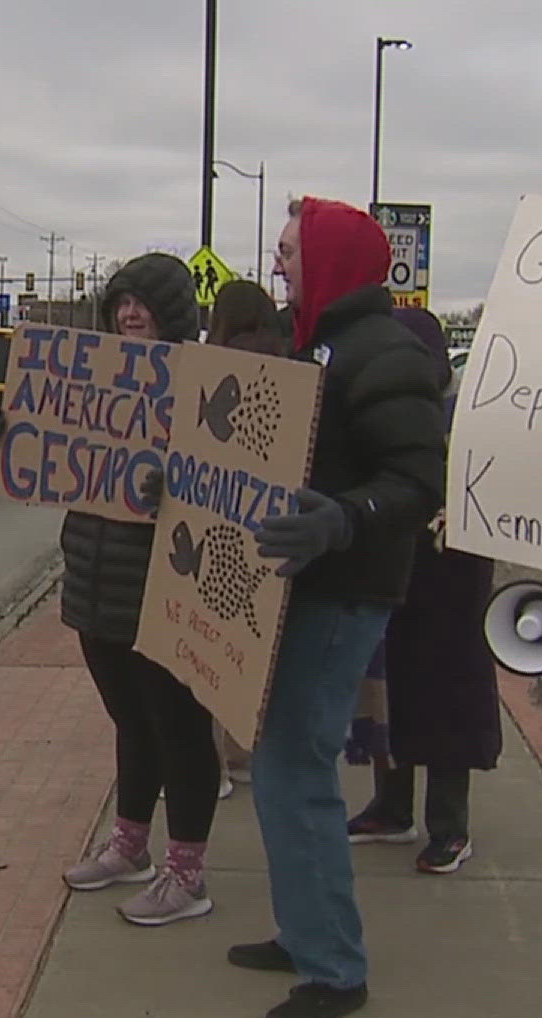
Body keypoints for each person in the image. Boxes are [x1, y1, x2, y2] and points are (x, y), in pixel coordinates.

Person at [228, 197, 446, 1018]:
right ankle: (304, 931)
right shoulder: (308, 344)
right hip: (302, 583)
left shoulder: (382, 351)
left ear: (330, 258)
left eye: (289, 250)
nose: (276, 263)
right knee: (283, 764)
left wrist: (342, 517)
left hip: (343, 588)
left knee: (297, 768)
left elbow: (418, 479)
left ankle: (334, 970)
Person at [60, 252, 225, 927]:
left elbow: (228, 486)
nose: (130, 314)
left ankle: (186, 872)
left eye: (143, 303)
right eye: (121, 302)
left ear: (173, 312)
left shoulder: (204, 386)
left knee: (179, 727)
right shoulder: (94, 379)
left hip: (165, 583)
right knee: (130, 720)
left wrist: (175, 484)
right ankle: (129, 843)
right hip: (97, 580)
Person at [345, 305, 502, 875]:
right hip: (391, 571)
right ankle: (391, 807)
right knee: (390, 691)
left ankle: (449, 828)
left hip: (452, 578)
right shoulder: (383, 407)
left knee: (447, 698)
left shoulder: (469, 417)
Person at [201, 279, 291, 791]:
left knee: (212, 652)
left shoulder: (215, 369)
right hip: (272, 524)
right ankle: (242, 753)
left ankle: (214, 764)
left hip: (219, 521)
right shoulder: (290, 366)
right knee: (256, 656)